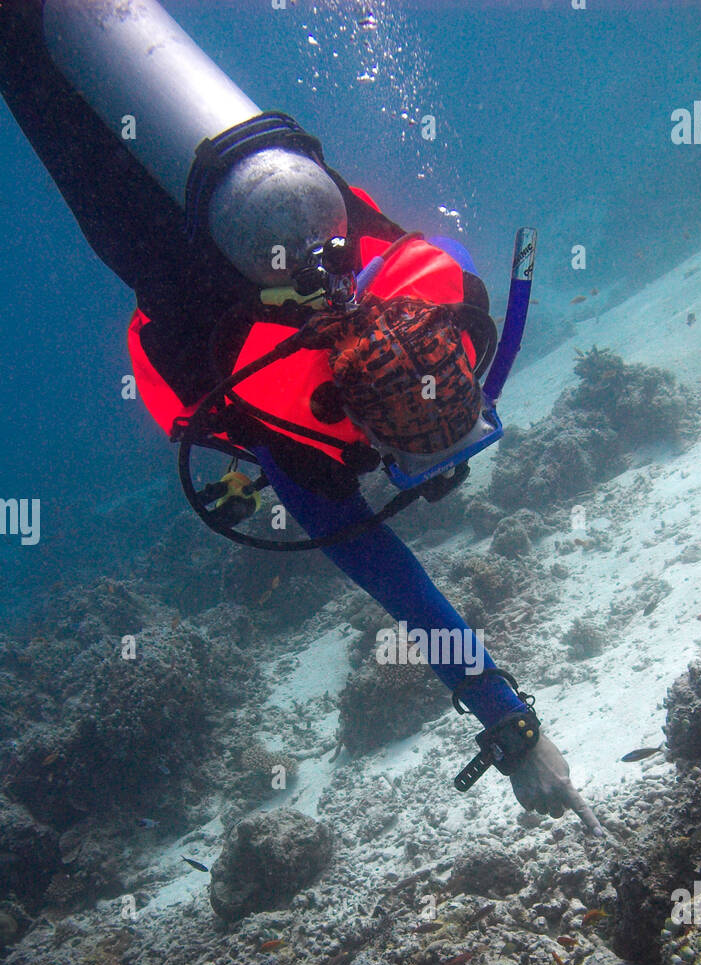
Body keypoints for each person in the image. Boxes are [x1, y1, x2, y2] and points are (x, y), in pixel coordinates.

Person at [0, 0, 603, 829]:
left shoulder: (454, 314)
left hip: (252, 160)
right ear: (364, 429)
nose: (437, 477)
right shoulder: (309, 435)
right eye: (416, 460)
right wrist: (510, 721)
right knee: (26, 65)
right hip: (149, 232)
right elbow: (400, 583)